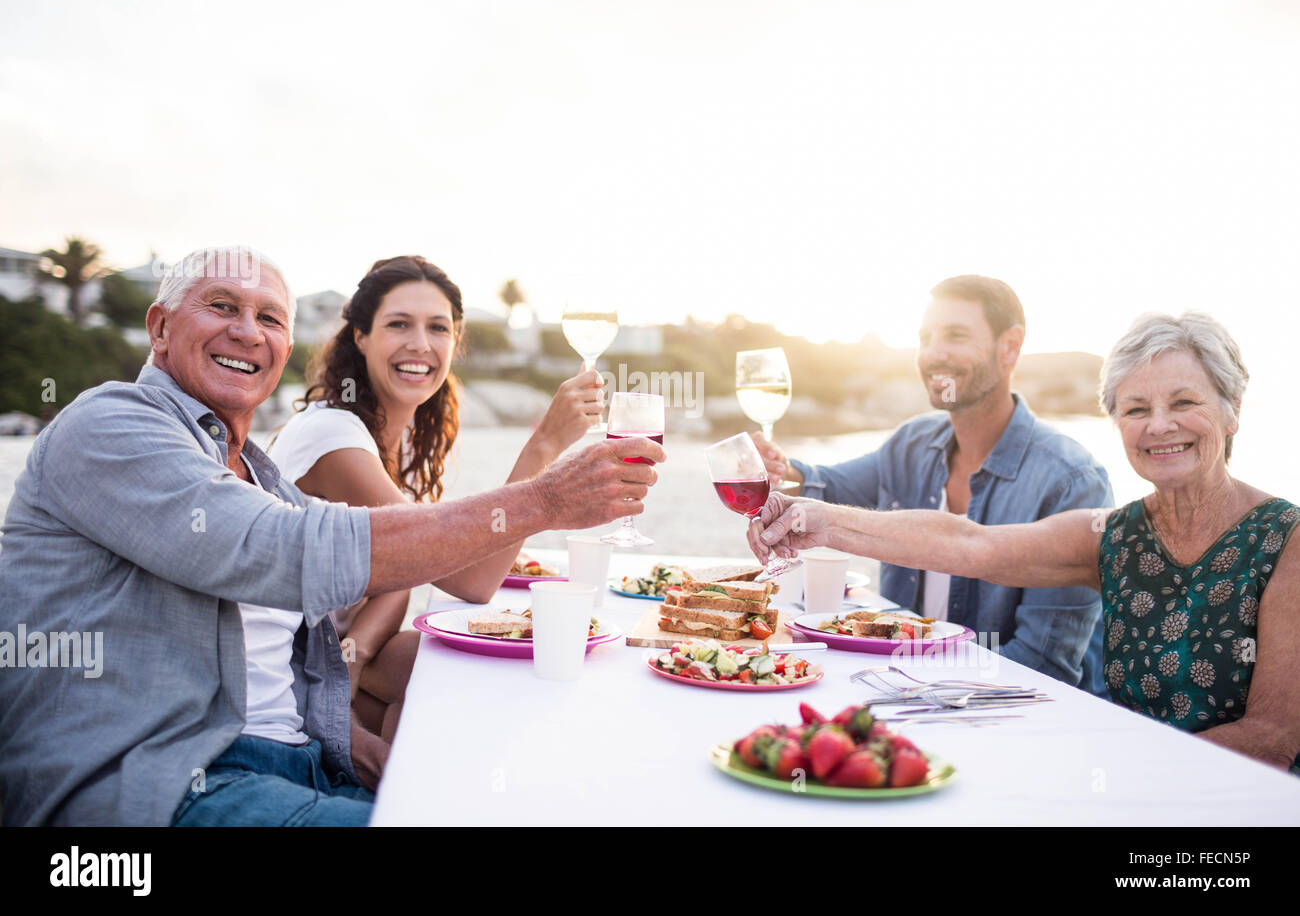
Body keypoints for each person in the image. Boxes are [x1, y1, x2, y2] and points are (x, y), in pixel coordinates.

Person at [0, 247, 663, 826]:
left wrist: (344, 739)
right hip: (161, 785)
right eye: (222, 306)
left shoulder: (255, 473)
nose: (247, 331)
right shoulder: (111, 424)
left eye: (269, 318)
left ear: (287, 346)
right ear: (160, 327)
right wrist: (544, 498)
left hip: (294, 760)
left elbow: (293, 640)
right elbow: (290, 551)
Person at [750, 311, 1300, 771]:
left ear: (1232, 412)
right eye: (1136, 409)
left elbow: (1274, 739)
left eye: (1184, 403)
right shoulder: (1113, 536)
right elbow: (972, 545)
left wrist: (1125, 772)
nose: (1159, 426)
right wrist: (816, 520)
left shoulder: (1286, 538)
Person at [268, 255, 601, 743]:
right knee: (461, 678)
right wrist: (544, 446)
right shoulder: (333, 439)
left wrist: (355, 654)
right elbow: (472, 581)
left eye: (438, 328)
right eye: (399, 324)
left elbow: (400, 571)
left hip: (332, 653)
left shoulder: (387, 437)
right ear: (360, 336)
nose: (420, 344)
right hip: (287, 672)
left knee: (474, 663)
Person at [755, 275, 1112, 691]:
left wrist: (893, 682)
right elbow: (821, 488)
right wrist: (774, 471)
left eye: (956, 336)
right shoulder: (912, 444)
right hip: (905, 696)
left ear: (1010, 348)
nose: (934, 354)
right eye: (925, 338)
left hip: (1009, 719)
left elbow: (1042, 669)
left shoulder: (1072, 482)